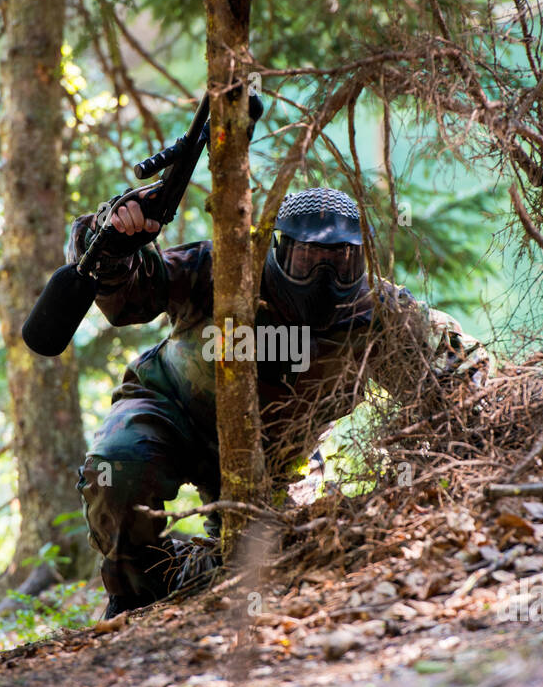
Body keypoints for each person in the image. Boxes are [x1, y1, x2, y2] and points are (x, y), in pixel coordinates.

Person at [67, 187, 486, 618]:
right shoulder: (226, 269)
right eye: (307, 258)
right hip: (170, 412)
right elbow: (128, 298)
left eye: (341, 260)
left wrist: (469, 436)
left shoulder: (374, 311)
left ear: (360, 259)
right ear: (279, 250)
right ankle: (137, 591)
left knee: (293, 557)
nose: (324, 276)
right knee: (113, 472)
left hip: (276, 457)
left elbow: (457, 367)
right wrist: (110, 241)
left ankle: (195, 569)